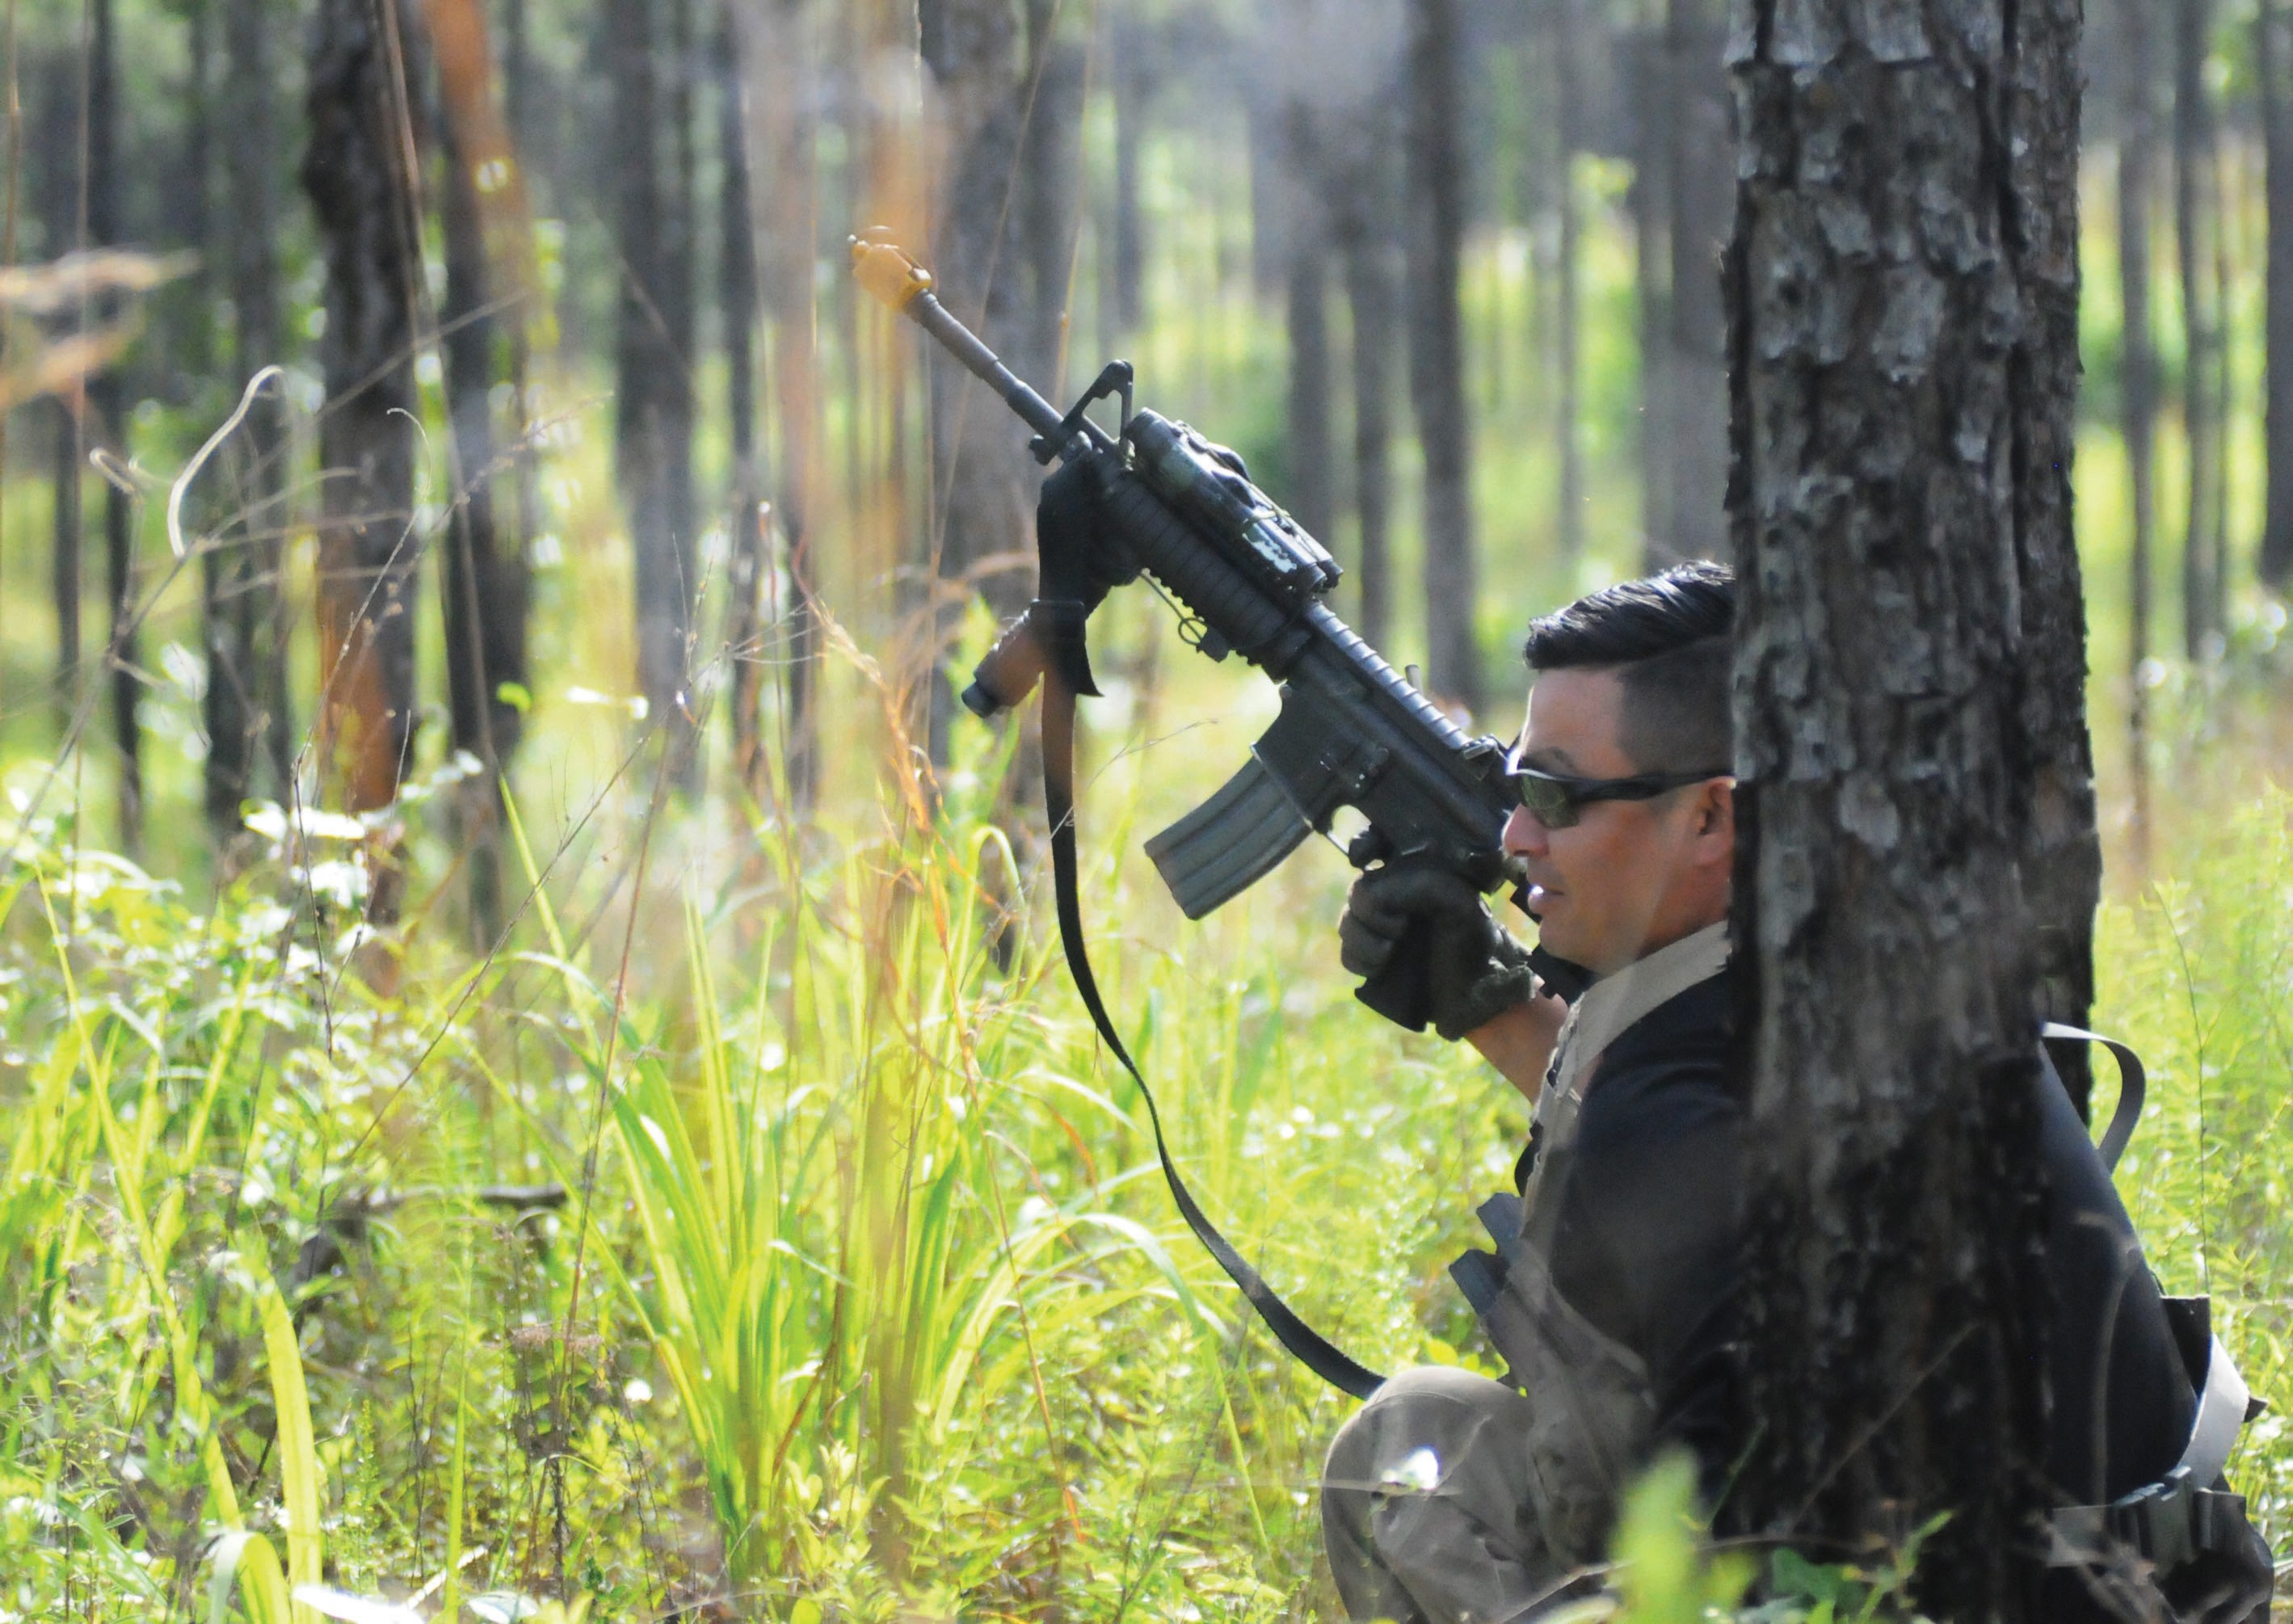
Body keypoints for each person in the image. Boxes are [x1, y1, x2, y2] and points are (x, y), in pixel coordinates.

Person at [1318, 562, 2275, 1624]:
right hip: (2148, 1586)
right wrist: (1497, 1008)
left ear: (1711, 816)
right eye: (1510, 788)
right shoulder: (1875, 966)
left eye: (1551, 795)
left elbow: (1734, 1550)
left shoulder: (1669, 1106)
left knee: (1396, 1466)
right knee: (1433, 1427)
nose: (1513, 836)